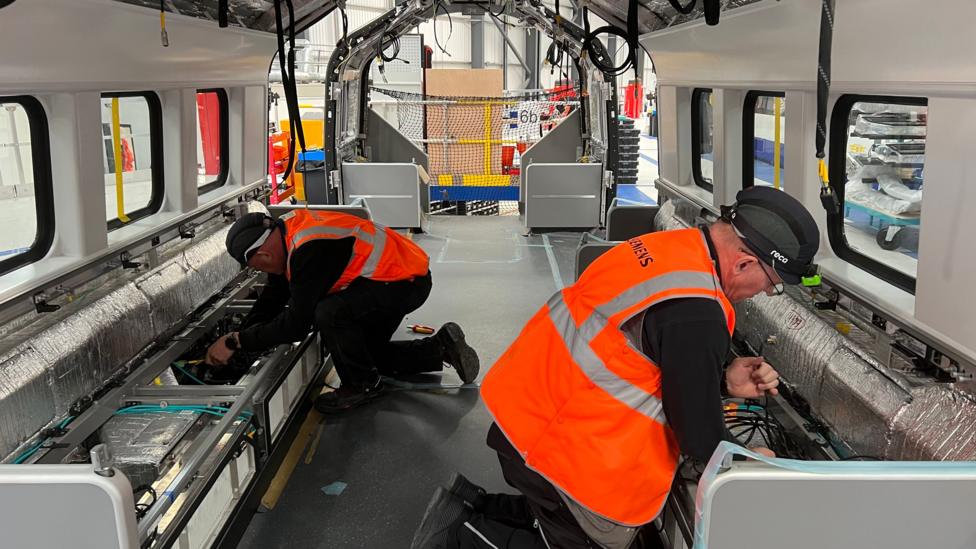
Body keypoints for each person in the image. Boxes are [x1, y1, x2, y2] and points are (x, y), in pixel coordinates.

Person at [411, 186, 820, 548]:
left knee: (561, 519)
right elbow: (699, 436)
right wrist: (747, 462)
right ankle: (461, 535)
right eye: (772, 284)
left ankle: (468, 506)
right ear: (744, 263)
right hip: (557, 441)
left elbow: (636, 356)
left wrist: (722, 380)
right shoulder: (699, 313)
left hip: (530, 409)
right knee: (593, 536)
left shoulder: (670, 249)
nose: (764, 292)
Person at [205, 208, 480, 413]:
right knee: (363, 356)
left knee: (329, 312)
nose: (261, 272)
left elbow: (296, 325)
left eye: (257, 267)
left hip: (404, 283)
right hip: (394, 277)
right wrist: (241, 337)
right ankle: (440, 348)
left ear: (263, 255)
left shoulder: (308, 250)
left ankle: (361, 386)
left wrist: (236, 341)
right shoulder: (287, 233)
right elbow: (274, 295)